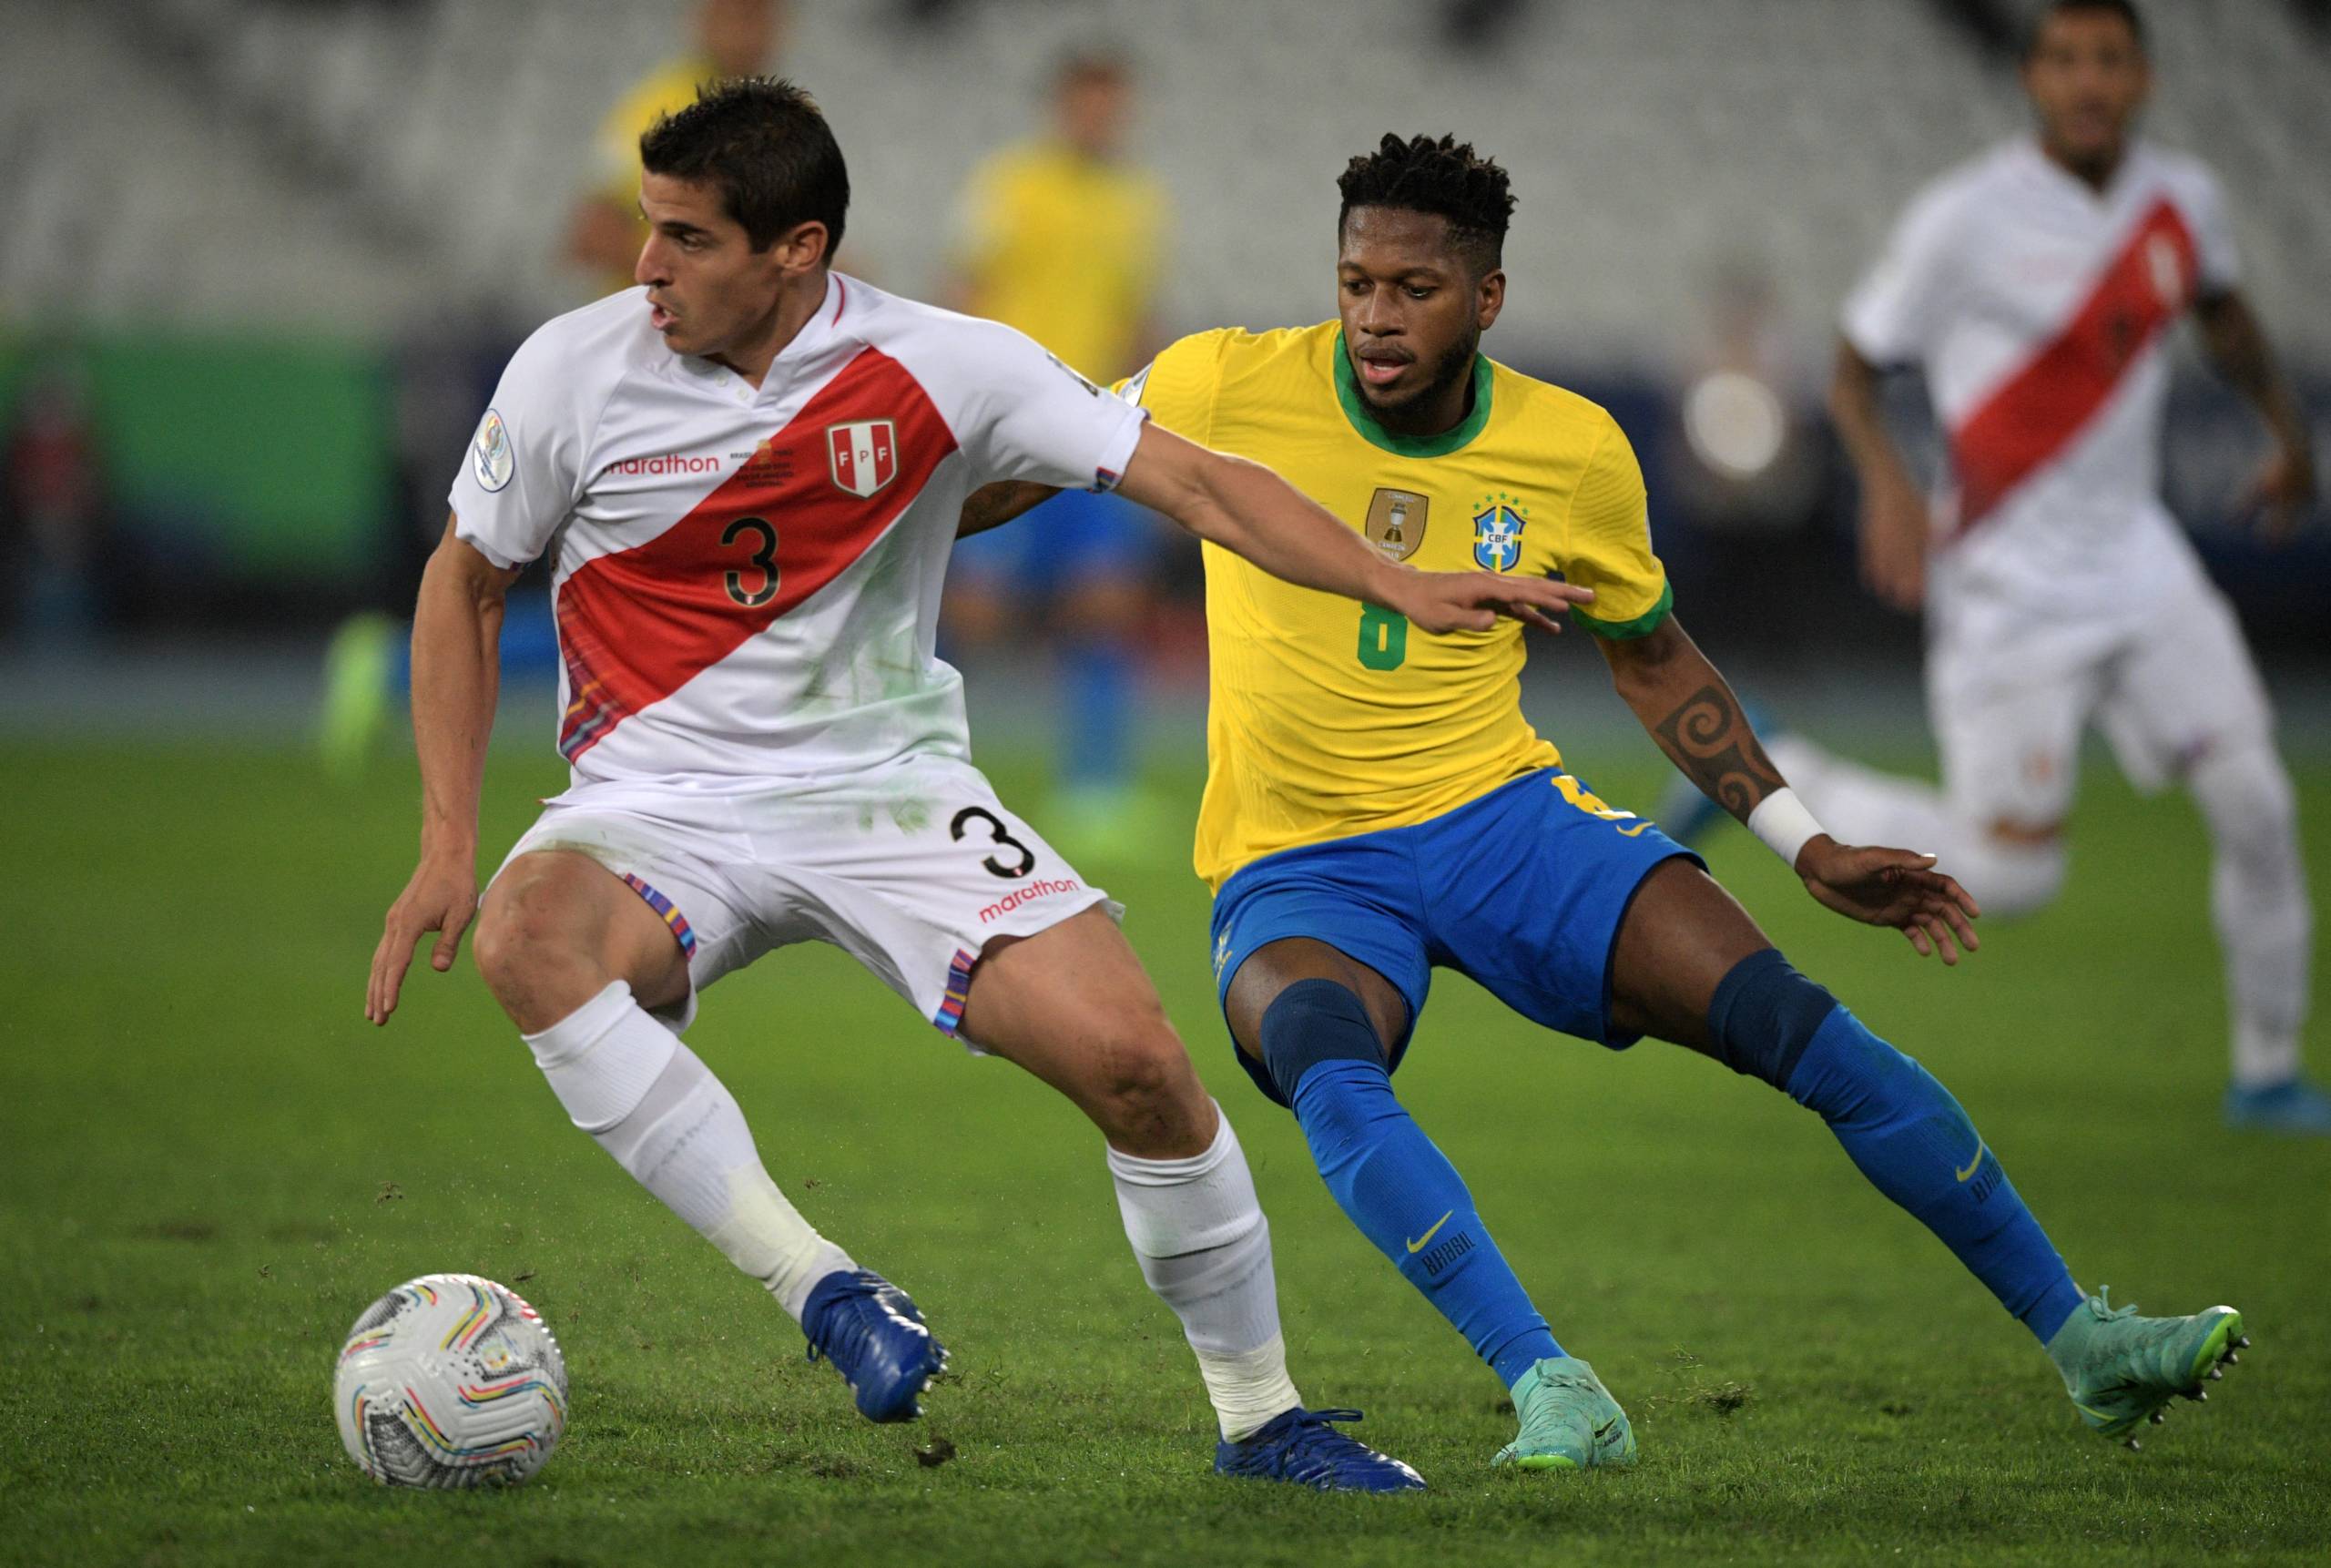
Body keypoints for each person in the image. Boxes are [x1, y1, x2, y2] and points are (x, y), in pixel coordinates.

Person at [959, 131, 2247, 1469]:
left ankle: (2084, 1339)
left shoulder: (1570, 450)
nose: (1376, 318)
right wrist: (881, 523)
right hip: (1299, 861)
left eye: (1413, 289)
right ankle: (1551, 1385)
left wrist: (1801, 839)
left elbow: (1652, 659)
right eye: (1355, 284)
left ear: (1488, 299)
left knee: (1798, 1026)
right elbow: (1033, 464)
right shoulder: (1221, 380)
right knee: (1324, 1061)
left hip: (1505, 822)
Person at [364, 79, 1582, 1492]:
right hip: (656, 799)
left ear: (798, 249)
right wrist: (450, 837)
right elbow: (465, 579)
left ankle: (1263, 1419)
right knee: (526, 939)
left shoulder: (943, 363)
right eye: (652, 229)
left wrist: (1392, 577)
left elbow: (1197, 484)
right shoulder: (570, 370)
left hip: (887, 789)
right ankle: (827, 1290)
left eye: (689, 240)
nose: (647, 267)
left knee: (1142, 1066)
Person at [1749, 0, 2326, 1133]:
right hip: (2007, 582)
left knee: (2257, 802)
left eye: (2109, 59)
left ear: (2142, 78)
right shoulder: (1965, 216)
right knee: (2011, 883)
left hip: (2141, 564)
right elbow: (1855, 371)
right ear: (2033, 79)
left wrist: (2285, 434)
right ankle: (1778, 761)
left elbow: (2224, 317)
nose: (2088, 81)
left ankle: (2265, 1071)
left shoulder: (2184, 202)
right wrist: (1891, 486)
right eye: (2065, 60)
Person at [942, 49, 1175, 859]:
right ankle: (917, 767)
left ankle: (1096, 790)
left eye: (1112, 104)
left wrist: (1146, 405)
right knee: (975, 612)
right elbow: (965, 294)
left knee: (1105, 605)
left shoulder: (1139, 201)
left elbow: (1134, 313)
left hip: (1095, 429)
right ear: (1062, 106)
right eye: (1088, 103)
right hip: (1007, 432)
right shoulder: (1011, 187)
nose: (1100, 119)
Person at [565, 0, 786, 296]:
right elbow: (594, 236)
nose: (745, 34)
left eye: (758, 17)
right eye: (735, 16)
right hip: (656, 324)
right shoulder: (655, 110)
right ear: (702, 22)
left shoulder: (785, 120)